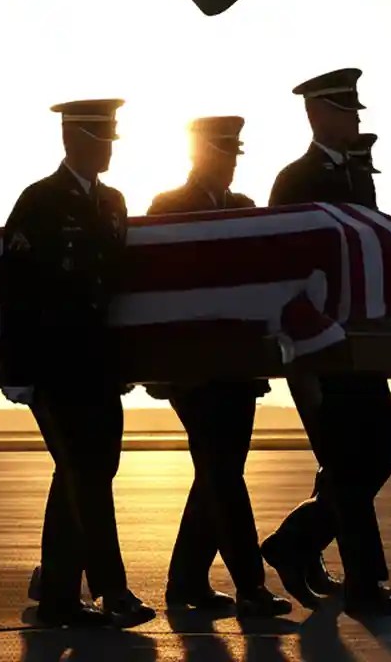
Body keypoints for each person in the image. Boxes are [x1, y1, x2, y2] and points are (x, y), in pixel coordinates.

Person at [1, 98, 156, 629]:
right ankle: (112, 591)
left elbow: (120, 289)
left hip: (99, 365)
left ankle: (60, 595)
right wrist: (18, 370)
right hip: (53, 363)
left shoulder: (112, 202)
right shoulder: (39, 202)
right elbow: (16, 289)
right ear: (74, 140)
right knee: (86, 475)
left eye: (112, 137)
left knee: (87, 473)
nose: (109, 147)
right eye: (101, 138)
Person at [262, 69, 391, 616]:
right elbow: (287, 265)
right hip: (320, 345)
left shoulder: (356, 178)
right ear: (318, 114)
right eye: (345, 111)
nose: (354, 120)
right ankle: (366, 584)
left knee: (375, 458)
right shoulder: (295, 180)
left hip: (361, 341)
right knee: (351, 463)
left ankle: (293, 544)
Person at [144, 116, 292, 618]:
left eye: (234, 154)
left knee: (217, 473)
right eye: (223, 153)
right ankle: (250, 584)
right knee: (224, 474)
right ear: (199, 154)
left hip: (238, 369)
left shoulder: (245, 210)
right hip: (192, 371)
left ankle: (185, 582)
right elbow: (157, 292)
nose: (230, 163)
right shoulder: (169, 208)